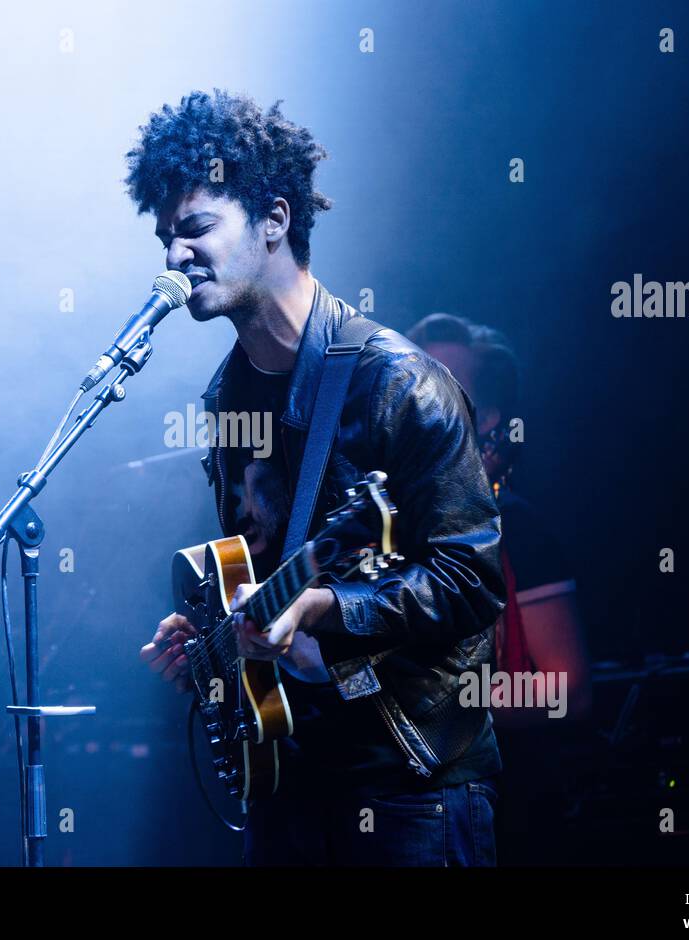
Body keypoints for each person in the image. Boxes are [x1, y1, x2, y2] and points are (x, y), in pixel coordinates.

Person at [130, 90, 506, 866]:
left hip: (409, 786)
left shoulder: (397, 383)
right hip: (288, 781)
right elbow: (262, 574)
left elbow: (472, 580)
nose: (173, 255)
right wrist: (211, 642)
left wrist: (333, 605)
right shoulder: (226, 396)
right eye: (166, 237)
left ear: (274, 217)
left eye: (196, 228)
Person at [408, 312, 591, 862]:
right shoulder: (388, 530)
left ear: (486, 418)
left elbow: (570, 691)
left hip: (507, 815)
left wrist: (443, 703)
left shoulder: (517, 529)